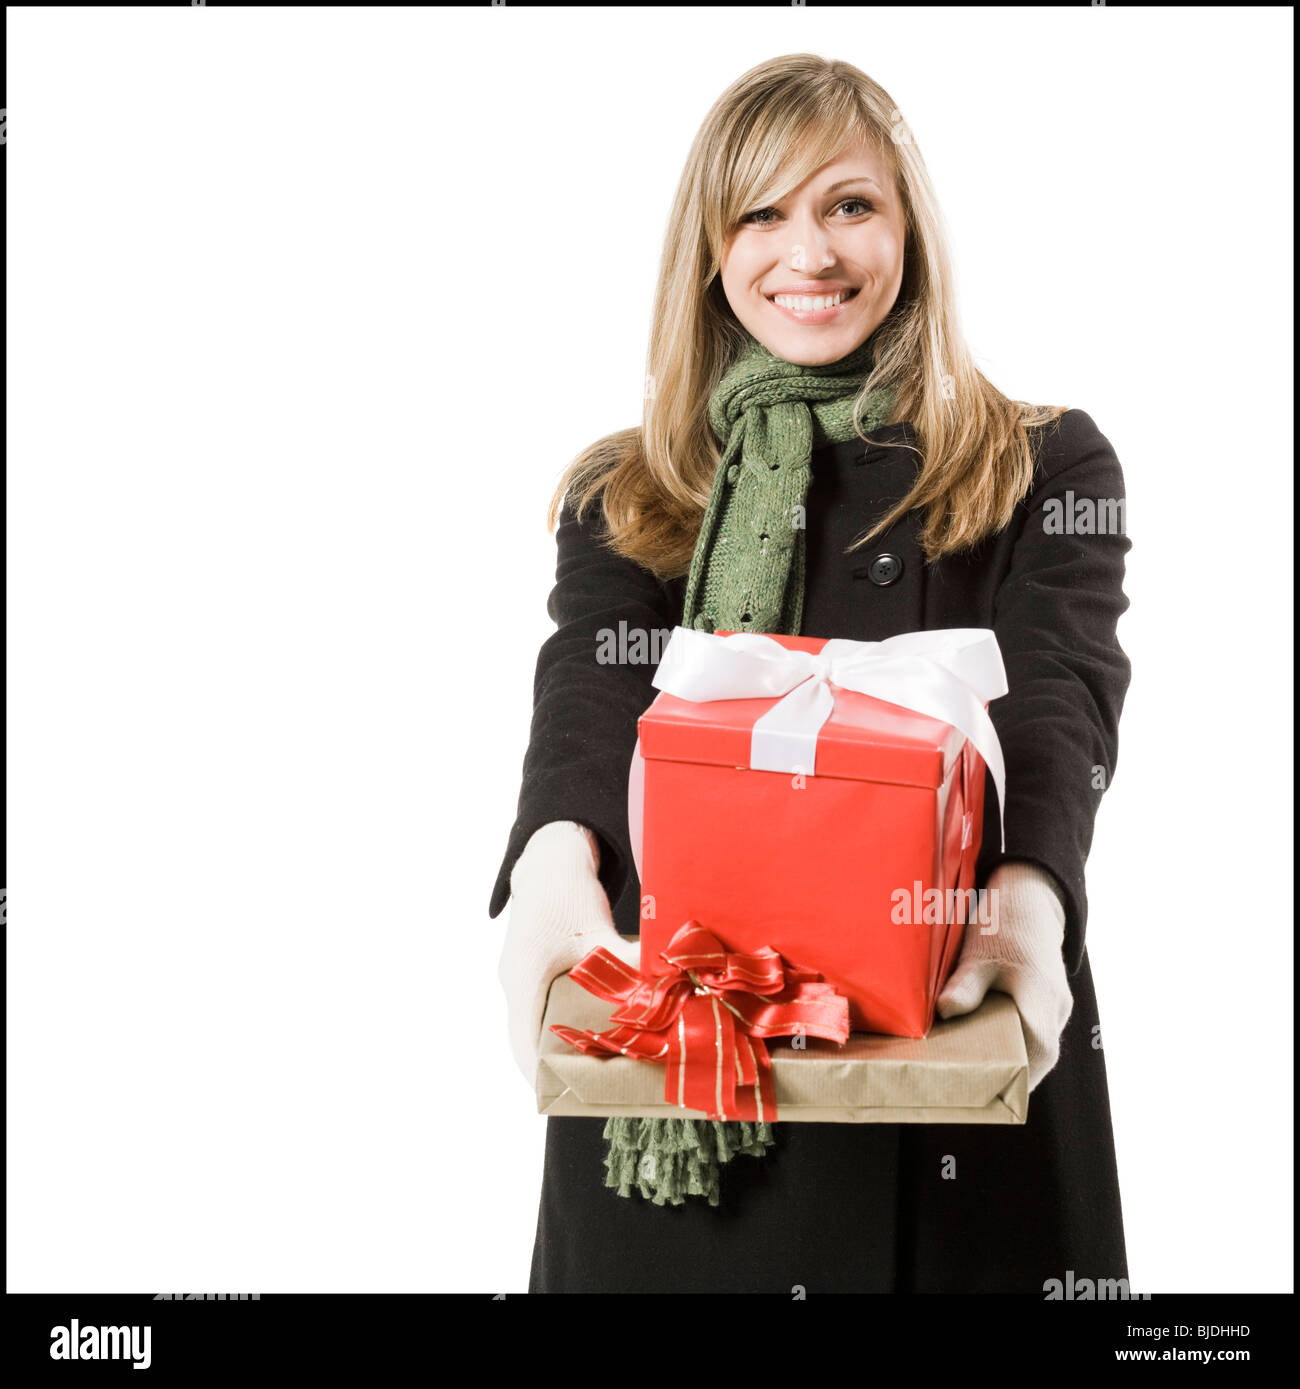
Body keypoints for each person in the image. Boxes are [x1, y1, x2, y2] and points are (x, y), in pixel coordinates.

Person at [489, 53, 1131, 1293]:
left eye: (849, 205)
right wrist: (553, 855)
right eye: (762, 213)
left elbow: (1060, 695)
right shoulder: (629, 483)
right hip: (685, 1029)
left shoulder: (1036, 462)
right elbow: (589, 682)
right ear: (712, 248)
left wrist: (1028, 900)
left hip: (947, 1007)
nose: (810, 253)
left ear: (908, 229)